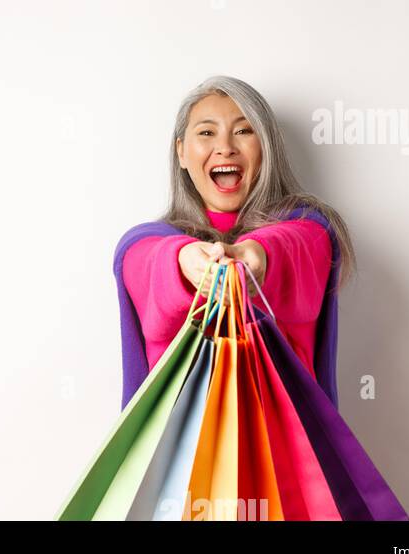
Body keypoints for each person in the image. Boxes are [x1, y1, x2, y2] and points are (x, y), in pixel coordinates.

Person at [114, 76, 356, 410]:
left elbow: (291, 244)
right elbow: (143, 255)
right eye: (206, 133)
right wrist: (185, 262)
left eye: (243, 131)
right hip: (185, 458)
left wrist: (255, 256)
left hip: (286, 455)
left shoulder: (310, 230)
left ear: (266, 147)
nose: (225, 146)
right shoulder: (149, 243)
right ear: (182, 152)